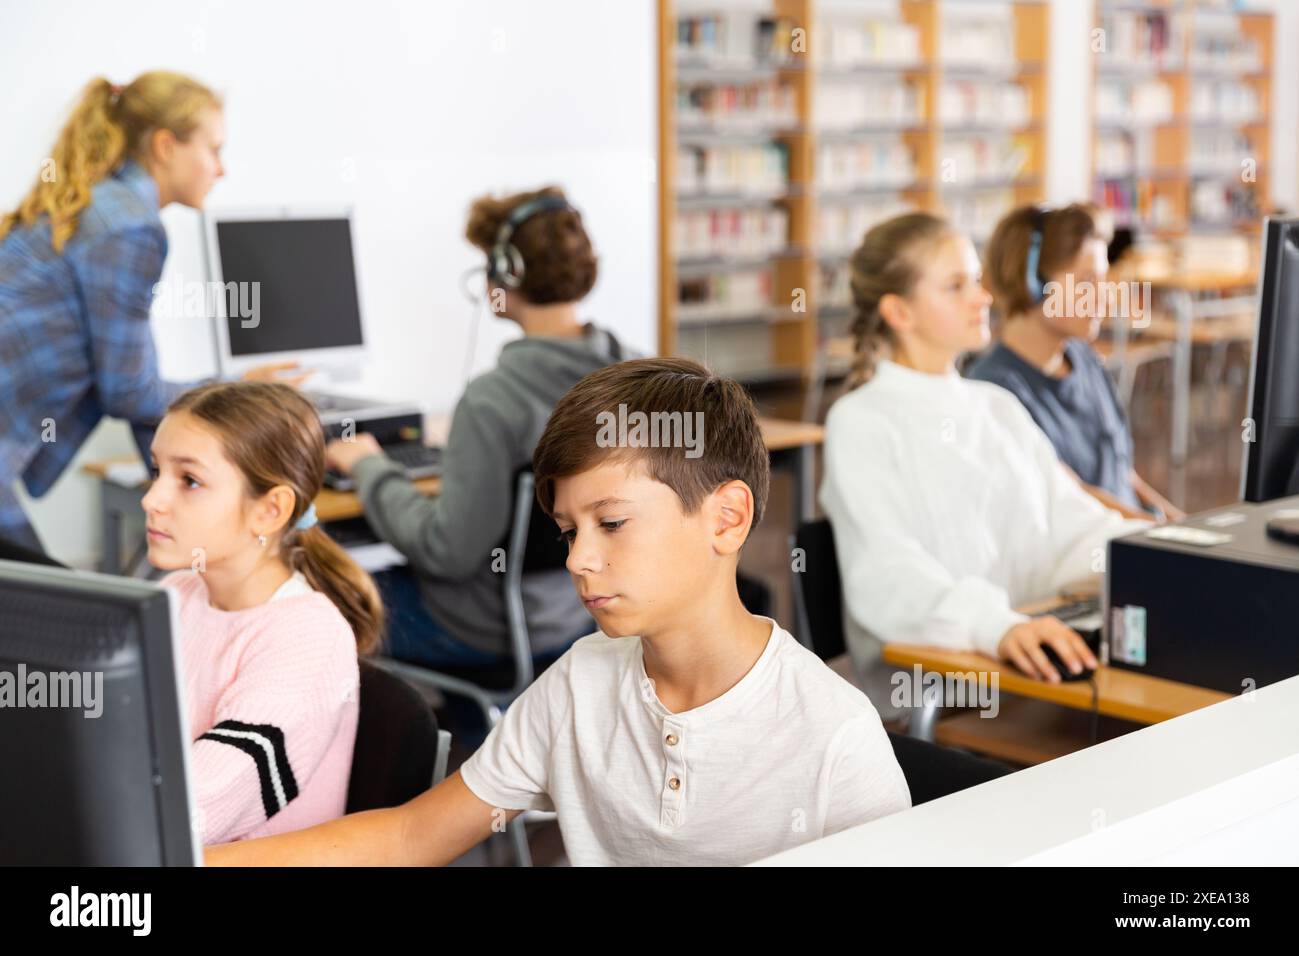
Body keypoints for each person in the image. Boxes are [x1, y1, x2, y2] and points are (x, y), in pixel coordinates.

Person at [208, 358, 911, 866]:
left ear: (726, 519)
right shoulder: (581, 682)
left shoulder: (834, 739)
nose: (578, 559)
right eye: (570, 531)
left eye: (611, 523)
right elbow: (408, 838)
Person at [819, 212, 1151, 720]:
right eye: (956, 286)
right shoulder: (861, 422)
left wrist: (1153, 555)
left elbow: (1068, 527)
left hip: (1027, 674)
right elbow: (888, 577)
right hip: (940, 702)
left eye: (976, 279)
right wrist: (996, 625)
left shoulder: (995, 406)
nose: (984, 297)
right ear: (899, 312)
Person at [0, 72, 305, 553]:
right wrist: (244, 394)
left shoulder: (101, 204)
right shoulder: (128, 228)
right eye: (213, 150)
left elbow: (136, 387)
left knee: (57, 611)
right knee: (57, 619)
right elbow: (130, 392)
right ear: (166, 146)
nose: (220, 169)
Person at [324, 187, 622, 669]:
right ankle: (482, 726)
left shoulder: (492, 402)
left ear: (507, 273)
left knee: (333, 590)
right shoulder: (636, 380)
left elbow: (447, 553)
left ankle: (456, 725)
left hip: (496, 628)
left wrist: (371, 468)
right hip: (588, 612)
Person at [144, 381, 382, 844]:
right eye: (156, 471)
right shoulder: (176, 593)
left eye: (189, 481)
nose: (152, 499)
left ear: (270, 511)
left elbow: (186, 813)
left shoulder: (309, 638)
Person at [969, 203, 1182, 521]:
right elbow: (1072, 498)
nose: (1105, 297)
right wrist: (1161, 537)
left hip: (1137, 538)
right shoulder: (995, 390)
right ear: (1033, 284)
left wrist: (1184, 523)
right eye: (1086, 283)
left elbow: (1122, 473)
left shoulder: (1082, 357)